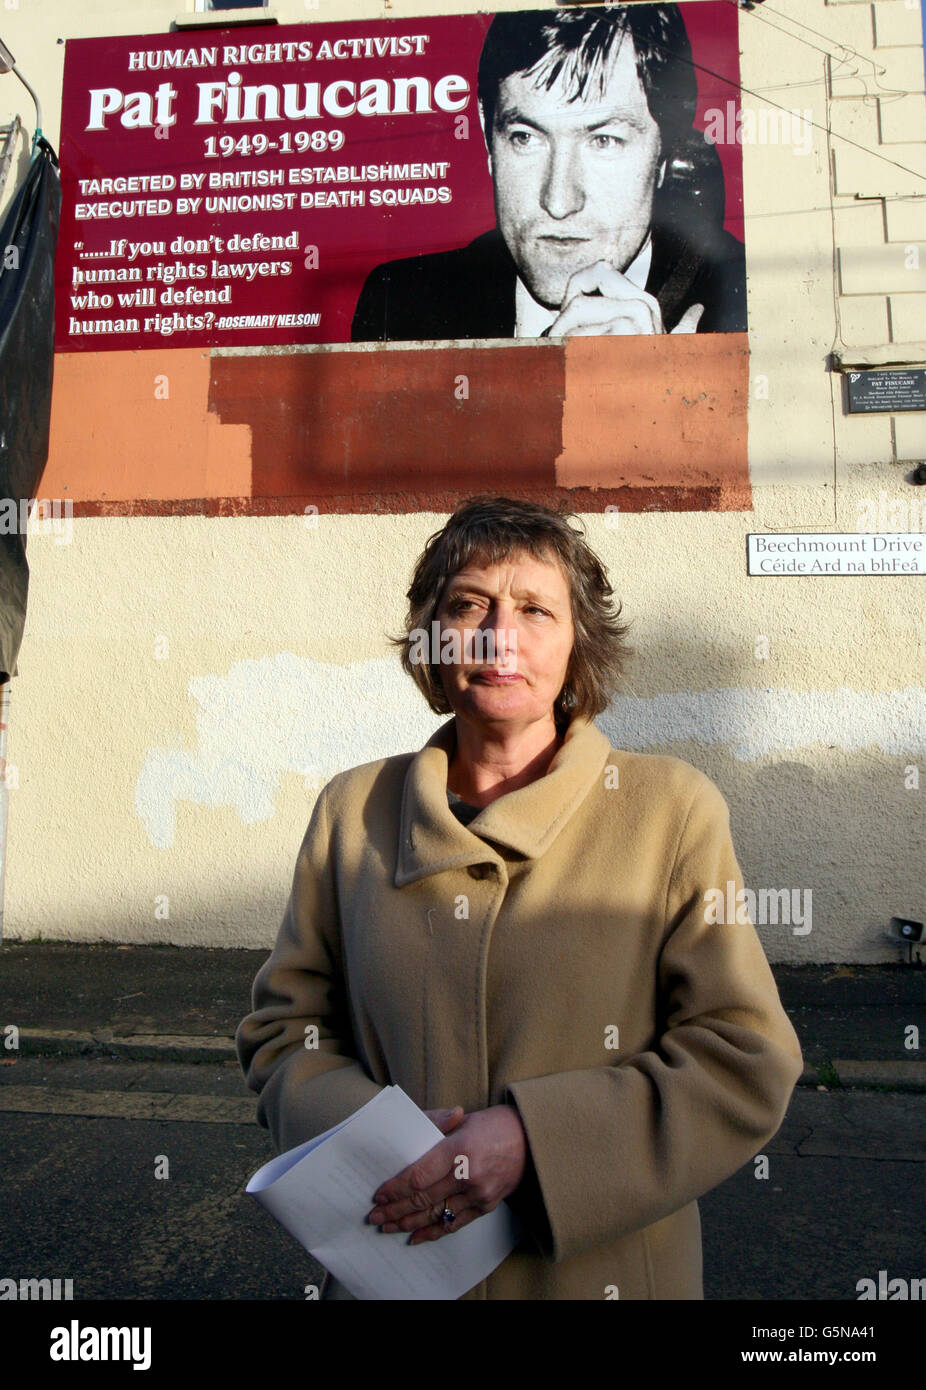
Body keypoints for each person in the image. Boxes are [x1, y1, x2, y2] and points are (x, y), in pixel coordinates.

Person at [235, 494, 803, 1300]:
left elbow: (745, 1058)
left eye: (536, 608)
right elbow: (284, 1032)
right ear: (432, 638)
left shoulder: (670, 810)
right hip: (395, 1272)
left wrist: (536, 1141)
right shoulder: (352, 810)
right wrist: (376, 1142)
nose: (500, 637)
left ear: (579, 645)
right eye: (469, 605)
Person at [351, 6, 746, 342]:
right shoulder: (401, 305)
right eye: (526, 137)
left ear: (667, 154)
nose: (558, 202)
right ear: (488, 135)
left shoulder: (753, 301)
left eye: (604, 141)